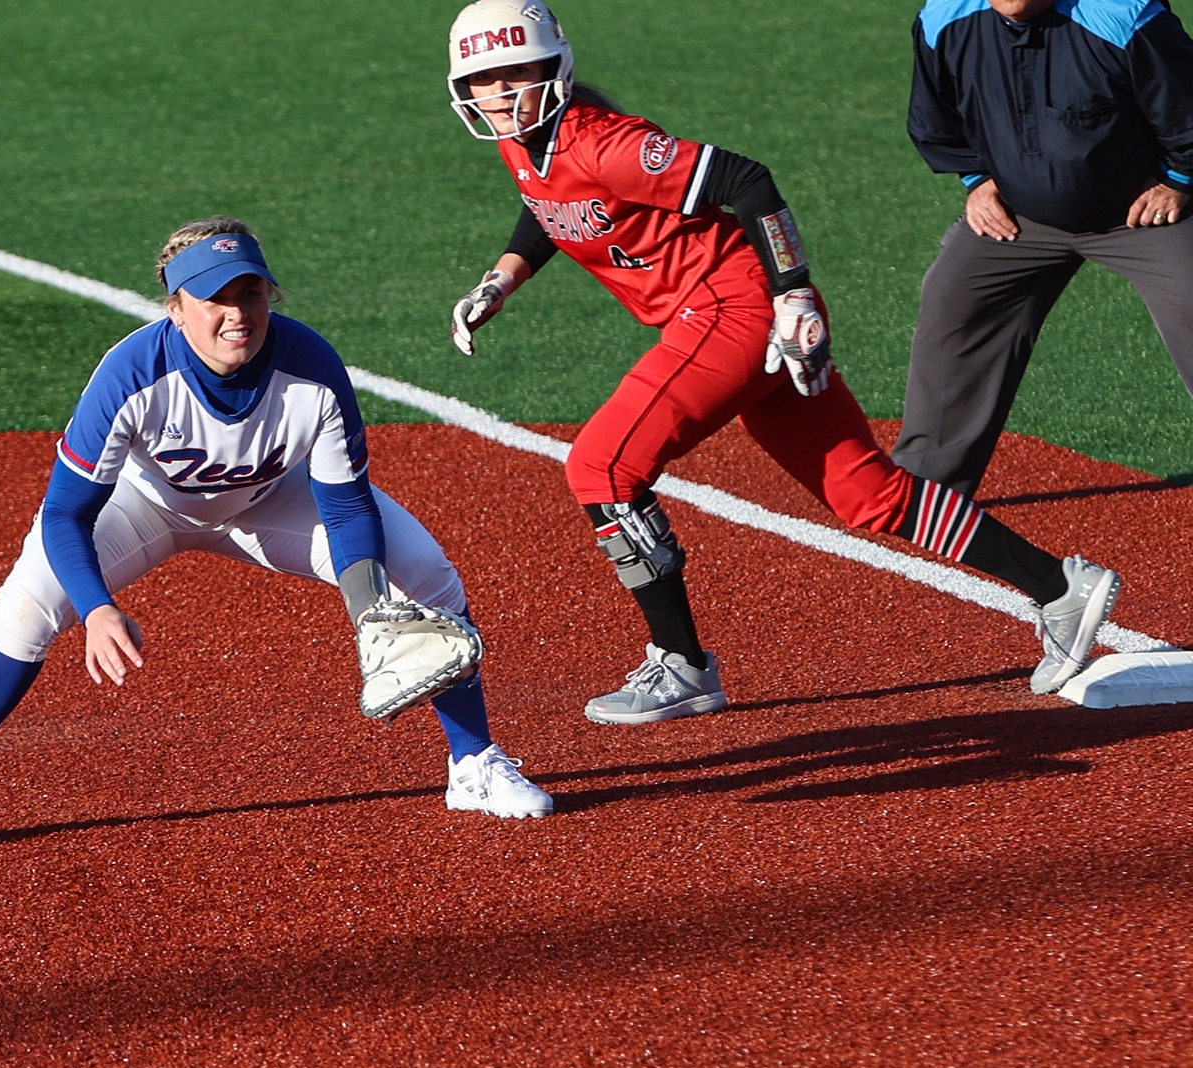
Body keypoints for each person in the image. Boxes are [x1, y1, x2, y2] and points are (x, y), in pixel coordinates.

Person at [440, 0, 1124, 723]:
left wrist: (793, 293)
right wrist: (504, 276)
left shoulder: (606, 143)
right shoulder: (526, 142)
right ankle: (1060, 587)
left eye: (519, 73)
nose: (503, 94)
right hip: (727, 315)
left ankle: (682, 663)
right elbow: (548, 204)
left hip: (736, 312)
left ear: (556, 67)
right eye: (486, 80)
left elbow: (747, 181)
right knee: (868, 493)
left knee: (602, 468)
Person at [0, 216, 553, 857]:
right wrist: (94, 610)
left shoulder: (314, 370)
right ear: (176, 309)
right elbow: (66, 514)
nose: (238, 312)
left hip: (268, 501)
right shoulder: (132, 376)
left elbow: (348, 510)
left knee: (426, 574)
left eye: (250, 292)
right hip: (143, 508)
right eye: (215, 298)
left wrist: (369, 615)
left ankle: (474, 763)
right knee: (26, 609)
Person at [892, 0, 1193, 496]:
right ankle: (929, 491)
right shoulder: (943, 18)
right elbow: (935, 117)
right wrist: (978, 180)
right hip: (1021, 216)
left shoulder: (1124, 15)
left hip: (1138, 213)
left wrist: (1178, 180)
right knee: (954, 298)